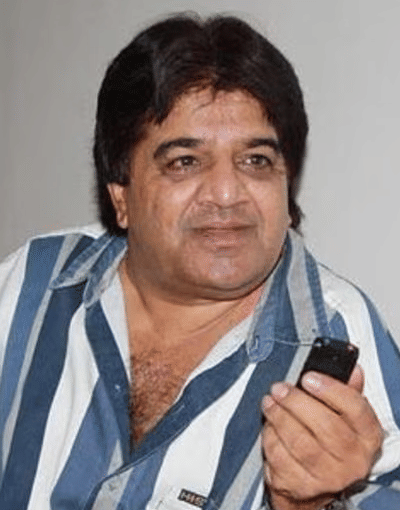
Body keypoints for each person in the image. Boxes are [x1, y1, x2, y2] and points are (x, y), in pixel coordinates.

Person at [0, 12, 399, 510]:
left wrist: (312, 505)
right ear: (120, 195)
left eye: (256, 160)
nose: (227, 194)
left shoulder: (342, 337)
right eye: (184, 162)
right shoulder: (32, 287)